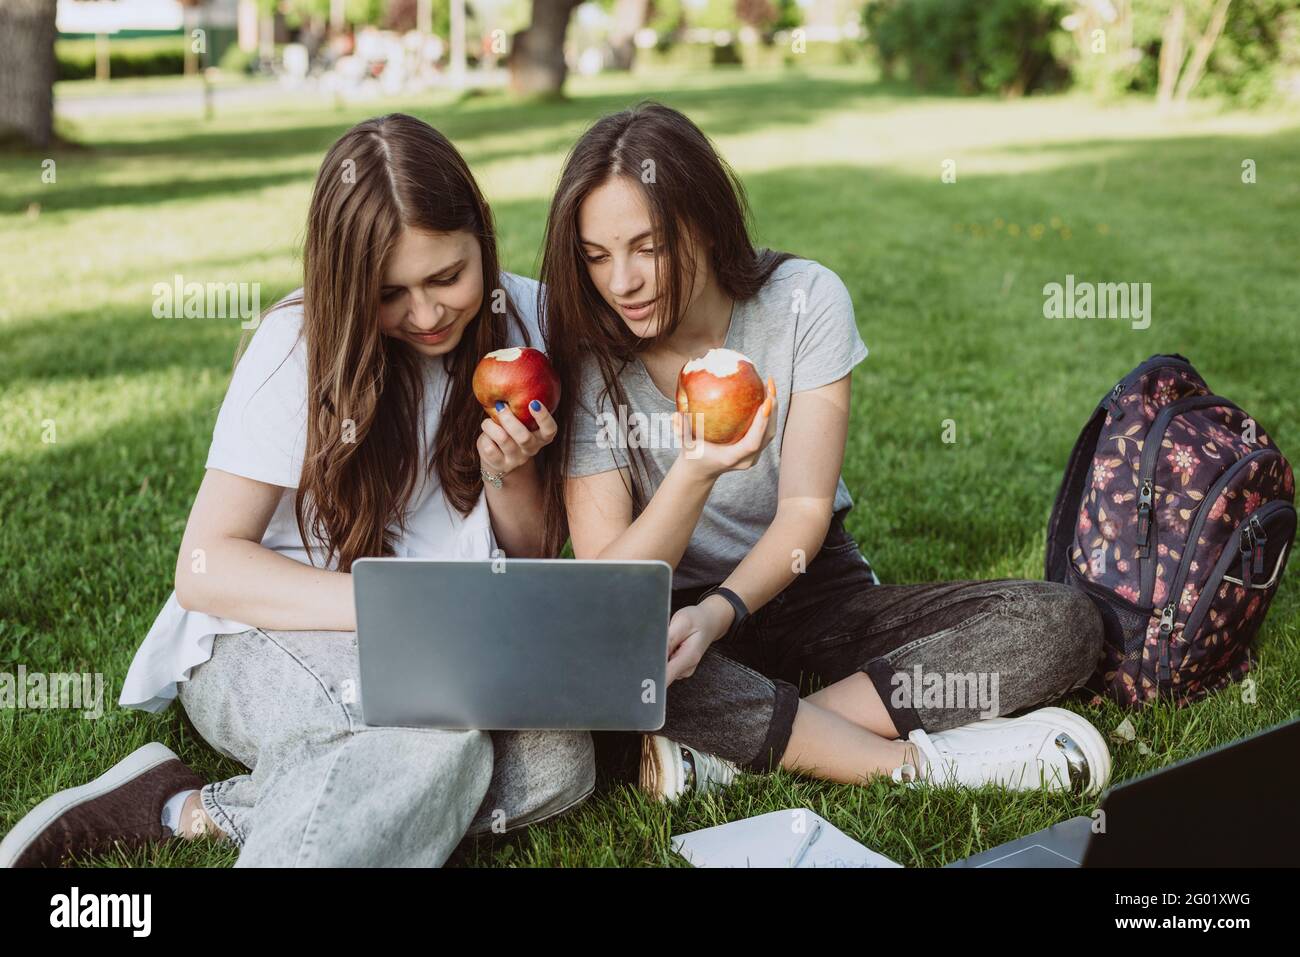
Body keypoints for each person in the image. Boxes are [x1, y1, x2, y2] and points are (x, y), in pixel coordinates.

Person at [0, 114, 592, 869]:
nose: (427, 312)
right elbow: (206, 565)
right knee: (435, 731)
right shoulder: (298, 346)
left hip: (444, 649)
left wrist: (510, 470)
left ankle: (181, 808)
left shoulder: (527, 323)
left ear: (481, 233)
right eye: (391, 293)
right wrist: (396, 606)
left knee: (561, 762)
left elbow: (531, 553)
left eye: (448, 276)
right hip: (258, 636)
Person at [537, 101, 1110, 802]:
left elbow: (803, 513)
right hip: (667, 625)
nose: (620, 281)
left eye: (647, 246)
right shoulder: (589, 354)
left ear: (707, 226)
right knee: (599, 658)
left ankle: (754, 746)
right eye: (596, 256)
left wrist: (721, 611)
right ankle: (901, 761)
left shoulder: (803, 300)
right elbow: (609, 593)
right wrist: (694, 472)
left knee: (1062, 624)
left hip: (809, 594)